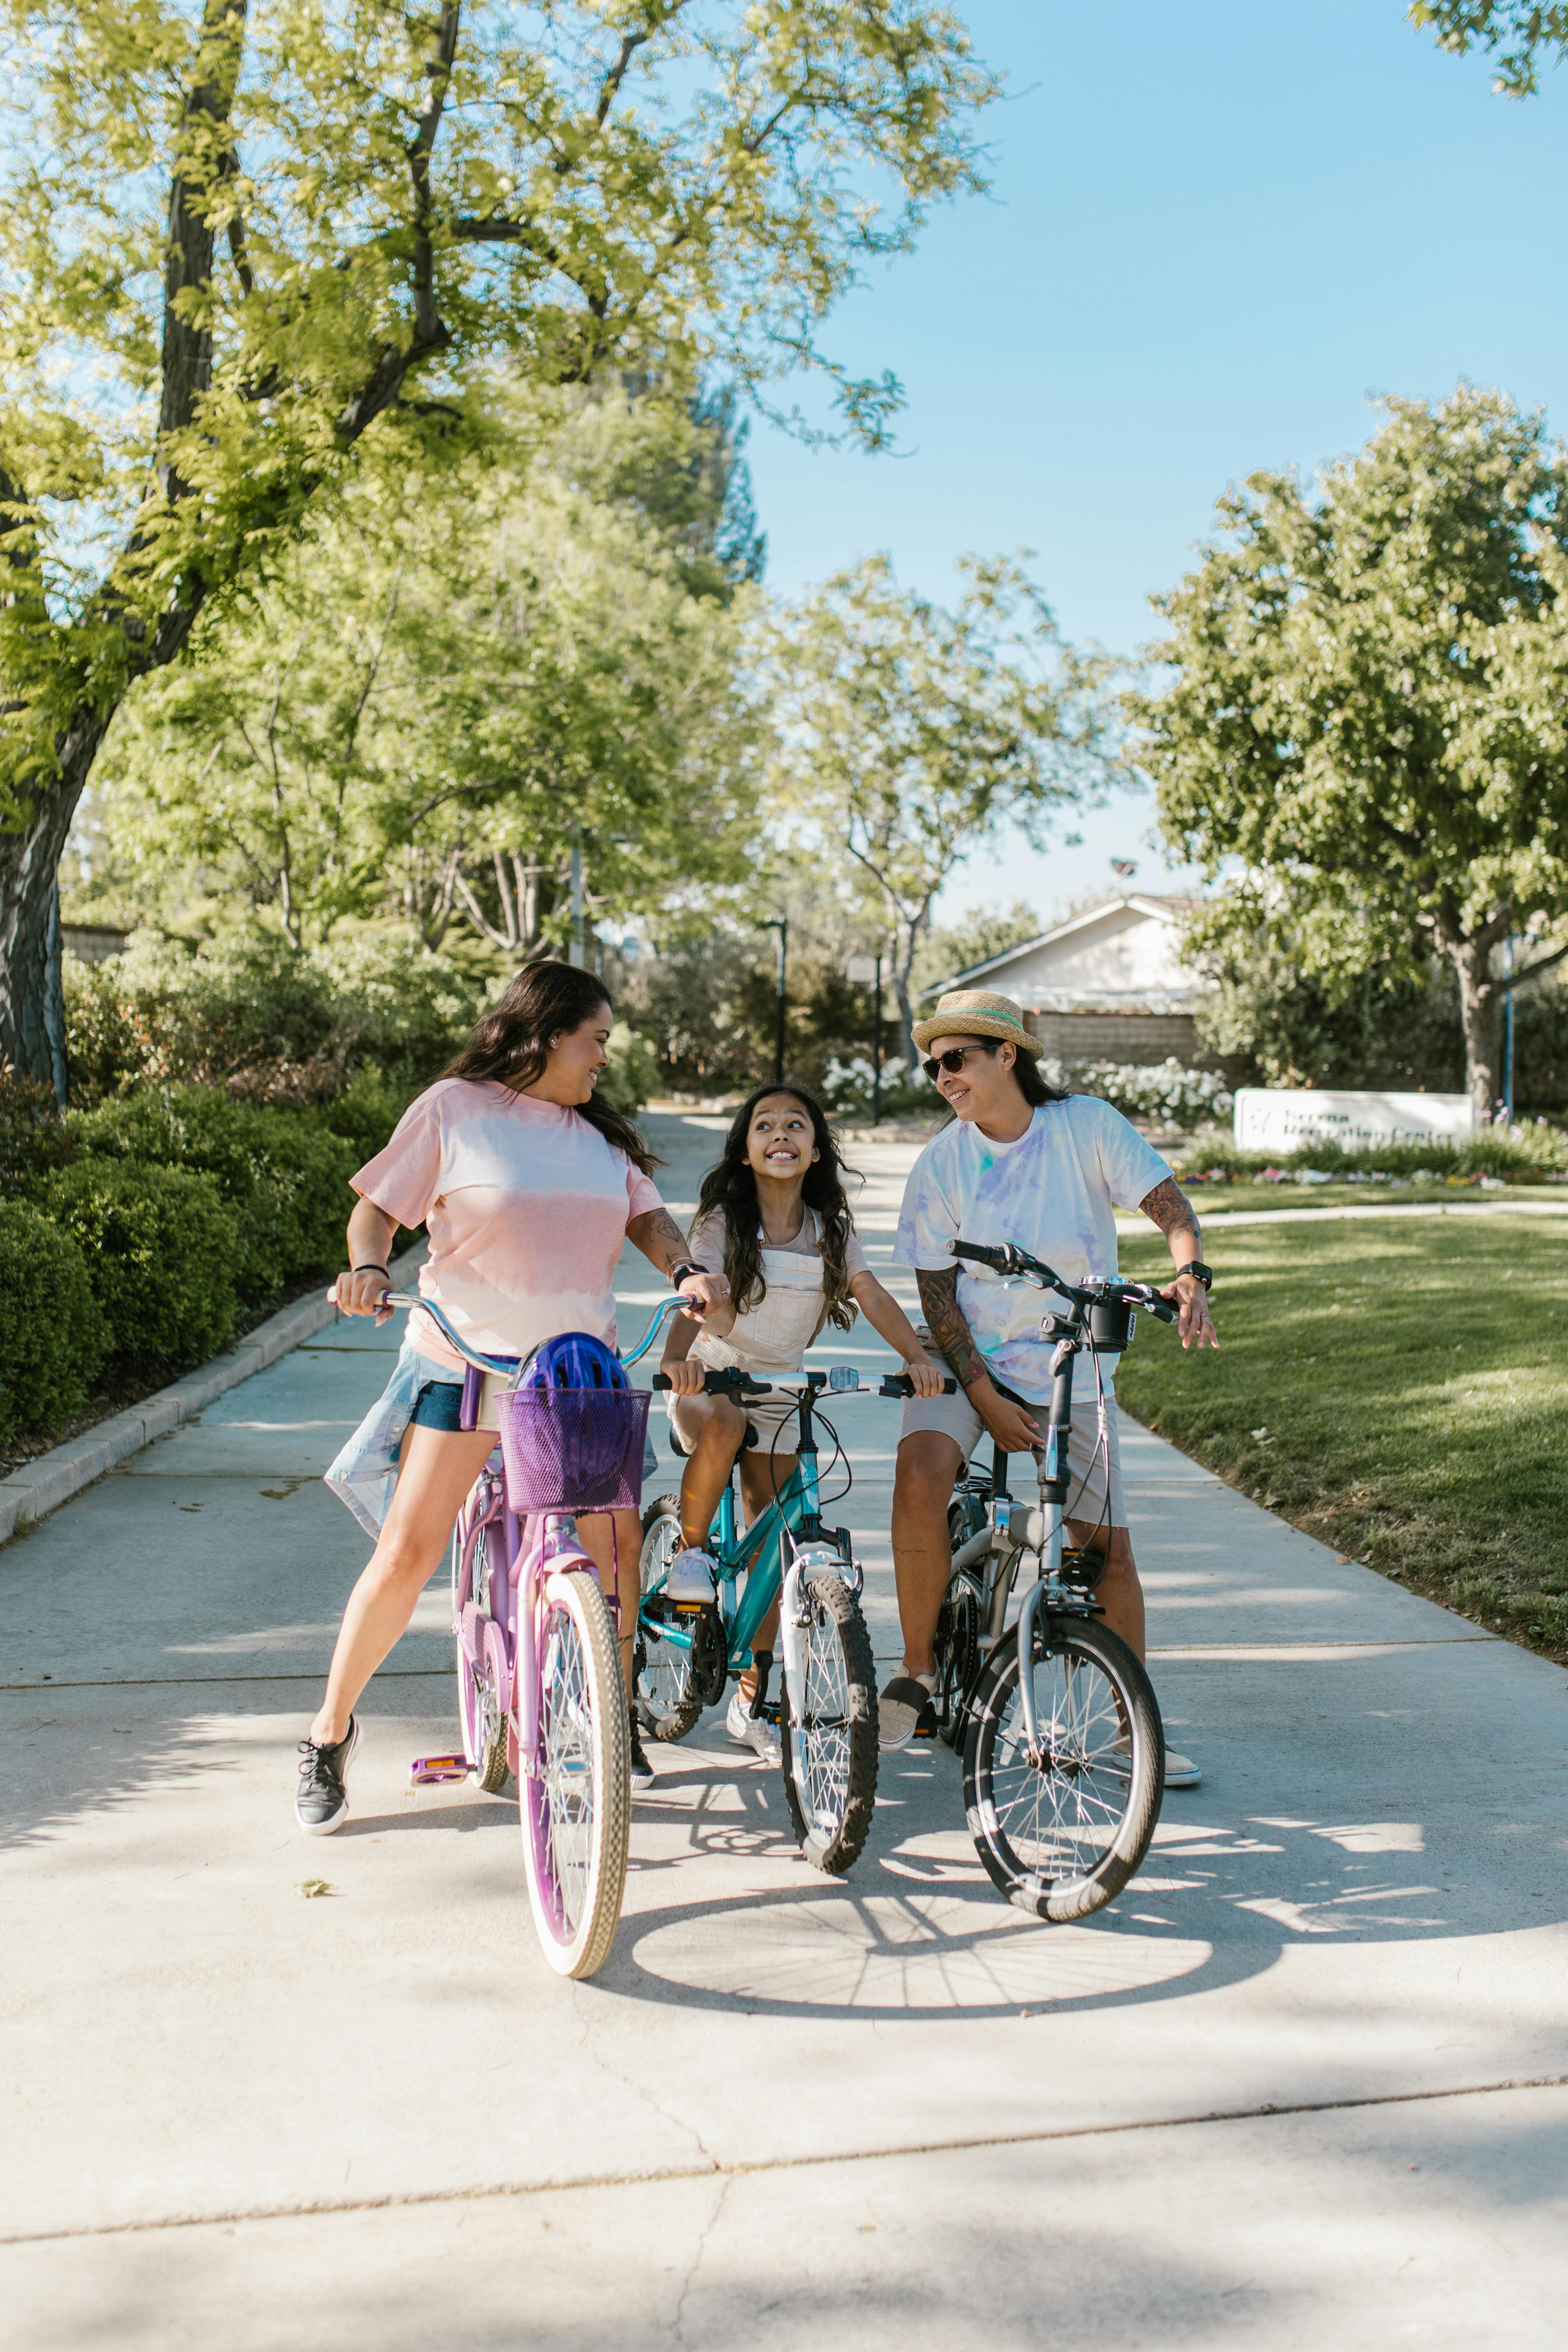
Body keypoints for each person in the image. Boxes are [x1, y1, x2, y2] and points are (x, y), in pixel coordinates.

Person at [297, 961, 725, 1834]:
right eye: (596, 1040)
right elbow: (378, 1210)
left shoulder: (600, 1137)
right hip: (467, 1364)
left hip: (575, 1373)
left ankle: (609, 1705)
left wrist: (684, 1270)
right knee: (409, 1554)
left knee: (615, 1549)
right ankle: (327, 1734)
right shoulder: (454, 1108)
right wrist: (370, 1267)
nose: (604, 1059)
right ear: (545, 1032)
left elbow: (646, 1217)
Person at [880, 988, 1218, 1781]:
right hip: (971, 1361)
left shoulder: (1087, 1127)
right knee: (921, 1473)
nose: (943, 1077)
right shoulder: (943, 1162)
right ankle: (920, 1669)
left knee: (1105, 1555)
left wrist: (1191, 1272)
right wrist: (986, 1398)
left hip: (1073, 1365)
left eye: (956, 1059)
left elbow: (1170, 1208)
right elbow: (936, 1296)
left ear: (1008, 1054)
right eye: (934, 1066)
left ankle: (1138, 1733)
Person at [658, 1084, 945, 1762]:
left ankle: (753, 1694)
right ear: (747, 1148)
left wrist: (914, 1356)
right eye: (765, 1125)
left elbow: (869, 1291)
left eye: (796, 1125)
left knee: (772, 1542)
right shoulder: (725, 1221)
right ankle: (690, 1553)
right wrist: (675, 1360)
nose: (780, 1133)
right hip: (714, 1374)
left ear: (815, 1150)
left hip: (779, 1383)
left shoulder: (829, 1227)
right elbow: (695, 1287)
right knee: (725, 1425)